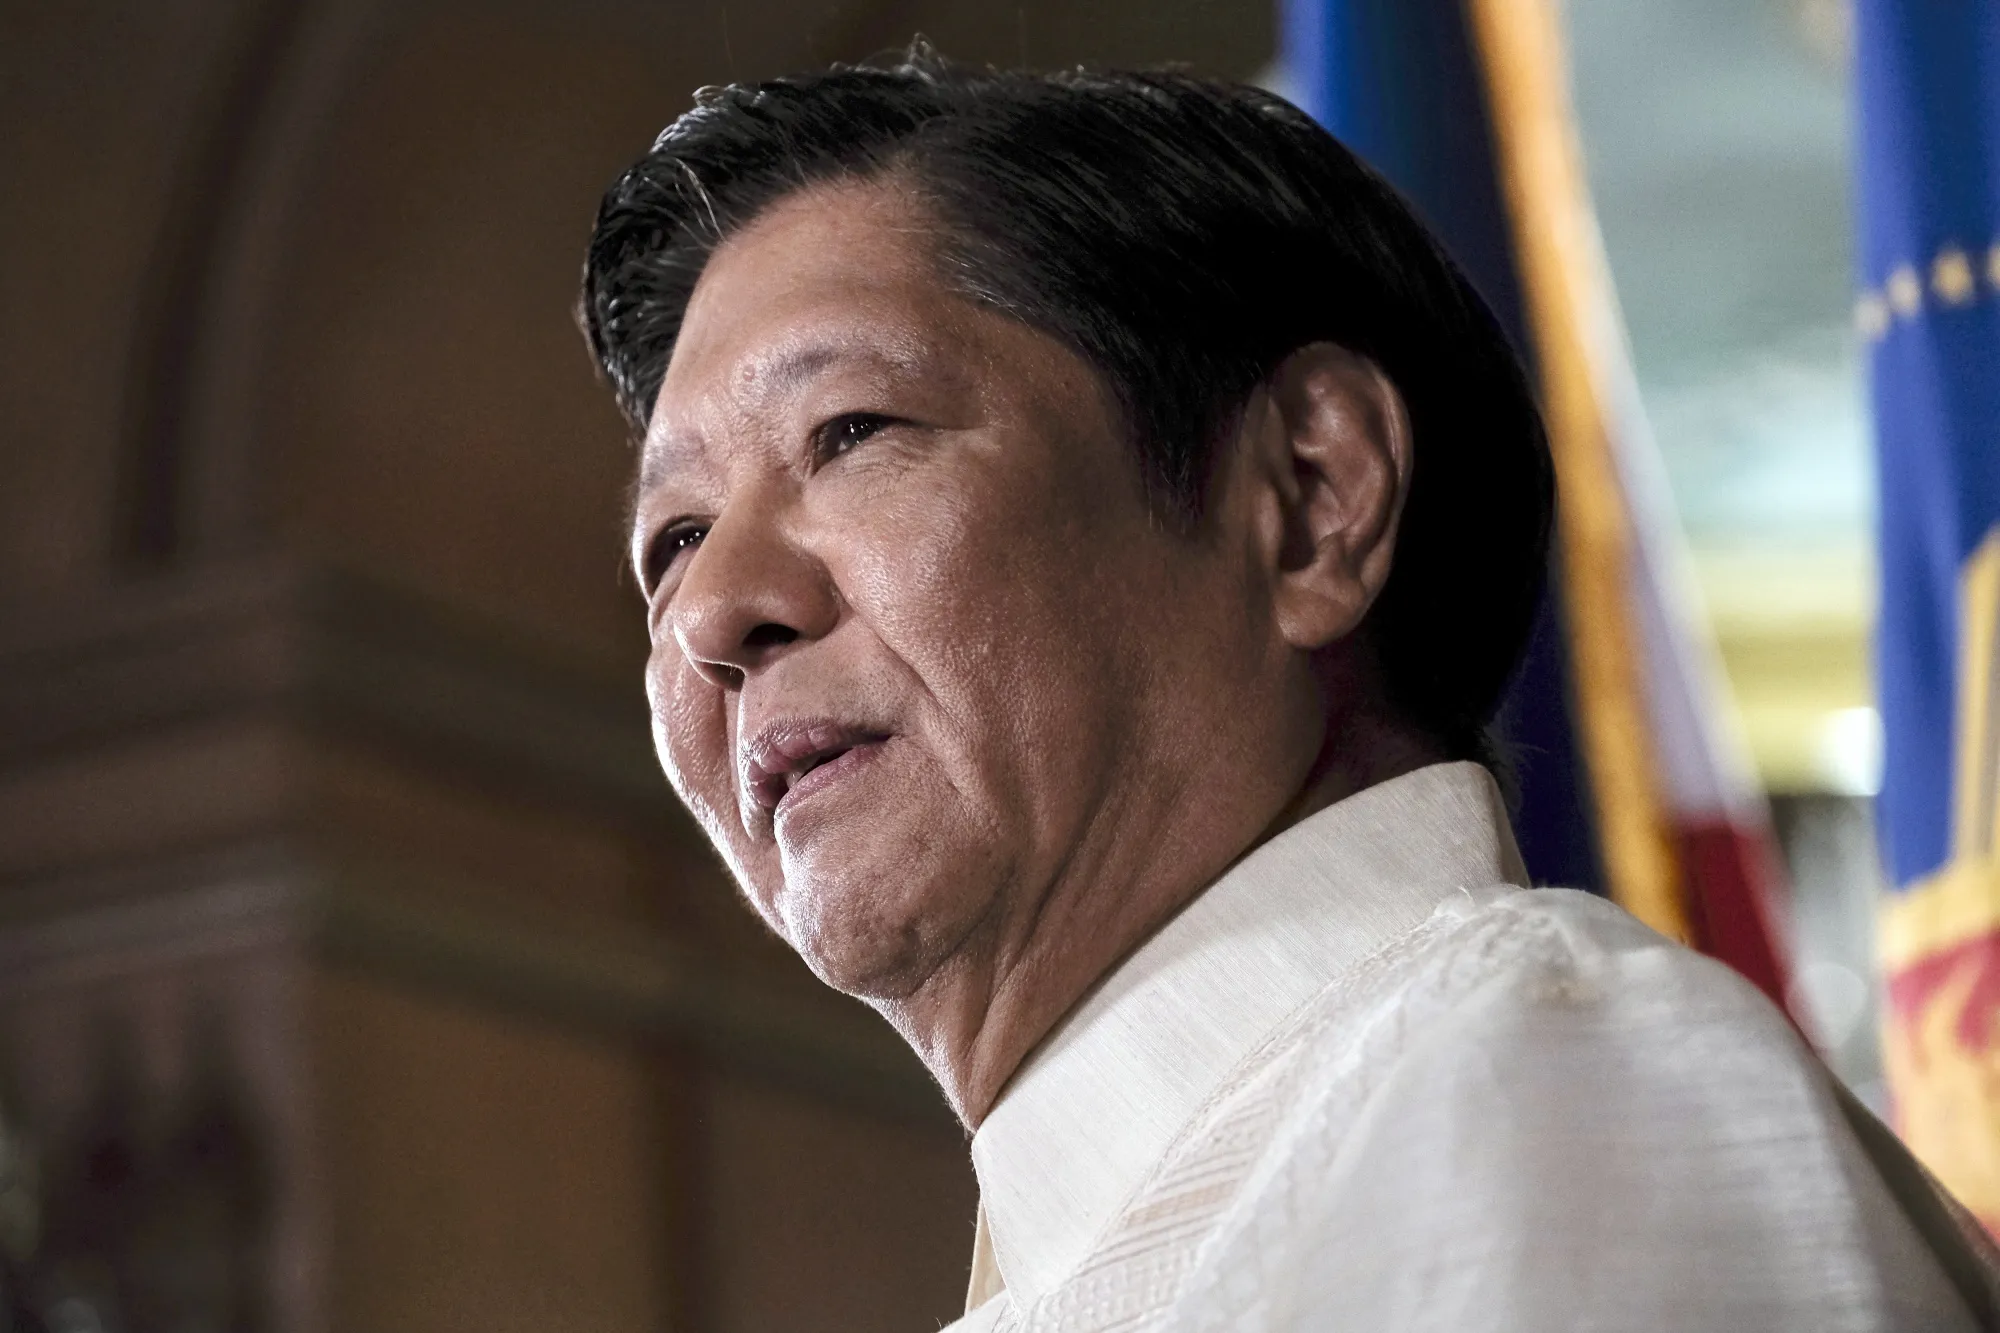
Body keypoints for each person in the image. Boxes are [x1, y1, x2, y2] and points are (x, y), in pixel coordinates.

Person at [579, 48, 1998, 1331]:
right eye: (674, 540)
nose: (710, 612)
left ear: (1311, 498)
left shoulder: (1542, 1097)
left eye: (850, 431)